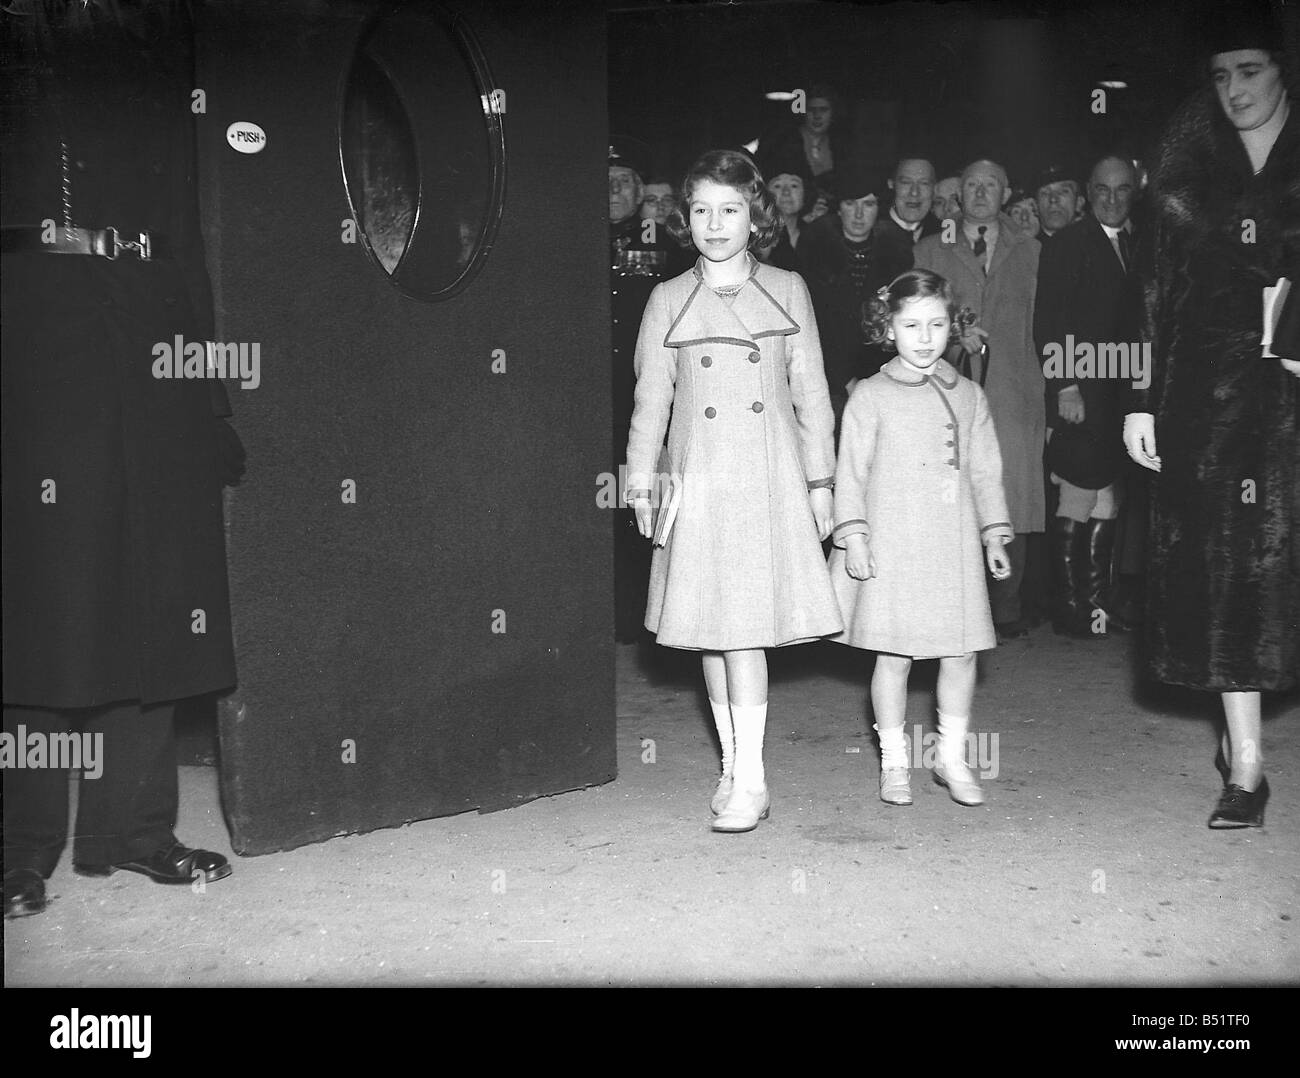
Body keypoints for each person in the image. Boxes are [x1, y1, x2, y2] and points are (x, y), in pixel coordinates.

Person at [2, 0, 240, 917]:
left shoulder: (153, 50)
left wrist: (211, 396)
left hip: (151, 333)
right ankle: (20, 848)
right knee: (39, 600)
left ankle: (136, 832)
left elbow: (187, 239)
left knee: (158, 591)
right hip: (34, 328)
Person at [625, 149, 842, 833]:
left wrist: (822, 484)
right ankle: (732, 765)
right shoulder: (667, 299)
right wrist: (639, 480)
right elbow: (650, 401)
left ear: (756, 218)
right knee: (710, 638)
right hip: (698, 483)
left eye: (730, 210)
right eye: (701, 210)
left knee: (743, 633)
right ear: (684, 218)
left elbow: (812, 395)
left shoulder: (788, 288)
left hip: (765, 481)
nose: (715, 224)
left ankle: (752, 778)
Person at [1123, 10, 1298, 829]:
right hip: (1211, 402)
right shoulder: (1184, 169)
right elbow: (1153, 293)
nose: (1235, 90)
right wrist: (1140, 399)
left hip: (1293, 392)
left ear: (1284, 71)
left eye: (1251, 71)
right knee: (1232, 576)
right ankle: (1248, 766)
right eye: (1222, 75)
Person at [829, 270, 1013, 808]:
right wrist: (854, 537)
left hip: (953, 547)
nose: (925, 337)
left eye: (936, 324)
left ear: (953, 326)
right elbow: (851, 473)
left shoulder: (970, 395)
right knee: (895, 656)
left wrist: (994, 535)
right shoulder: (870, 395)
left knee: (962, 653)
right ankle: (893, 762)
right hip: (893, 543)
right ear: (888, 329)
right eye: (911, 325)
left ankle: (950, 758)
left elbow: (985, 472)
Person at [914, 158, 1045, 639]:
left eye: (992, 184)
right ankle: (951, 605)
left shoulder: (1032, 250)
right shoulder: (931, 247)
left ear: (1006, 193)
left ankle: (1006, 607)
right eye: (972, 185)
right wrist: (953, 337)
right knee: (948, 491)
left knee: (1012, 495)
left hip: (1015, 388)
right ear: (959, 194)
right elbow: (913, 316)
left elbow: (1046, 322)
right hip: (946, 385)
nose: (981, 193)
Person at [1035, 155, 1143, 637]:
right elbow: (1049, 321)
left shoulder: (1137, 241)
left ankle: (1097, 604)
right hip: (1080, 389)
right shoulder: (1068, 243)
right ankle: (1068, 606)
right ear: (1087, 192)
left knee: (1107, 494)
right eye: (1102, 189)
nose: (1112, 199)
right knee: (1078, 491)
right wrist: (1065, 386)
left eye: (1122, 189)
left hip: (1120, 391)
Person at [609, 139, 672, 643]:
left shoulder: (660, 242)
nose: (614, 189)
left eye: (625, 180)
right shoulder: (568, 238)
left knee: (636, 503)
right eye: (606, 180)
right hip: (586, 396)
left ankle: (633, 617)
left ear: (640, 189)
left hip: (639, 394)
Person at [799, 161, 913, 433]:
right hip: (828, 382)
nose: (859, 214)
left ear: (879, 208)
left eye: (868, 204)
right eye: (851, 204)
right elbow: (812, 323)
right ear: (839, 208)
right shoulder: (814, 250)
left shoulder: (897, 253)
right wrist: (846, 380)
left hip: (884, 378)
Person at [754, 153, 814, 271]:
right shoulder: (756, 235)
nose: (786, 192)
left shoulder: (817, 233)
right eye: (777, 186)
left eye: (794, 185)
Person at [884, 157, 942, 246]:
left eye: (924, 183)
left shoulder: (945, 234)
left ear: (935, 188)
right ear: (891, 184)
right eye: (906, 182)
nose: (914, 192)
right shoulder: (869, 230)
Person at [1034, 163, 1082, 242]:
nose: (1053, 199)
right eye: (1045, 193)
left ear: (1079, 203)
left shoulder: (1095, 246)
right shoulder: (1025, 249)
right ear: (1035, 206)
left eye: (1064, 191)